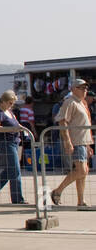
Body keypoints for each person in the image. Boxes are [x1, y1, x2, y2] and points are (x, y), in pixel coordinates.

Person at [51, 78, 92, 207]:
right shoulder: (70, 102)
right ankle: (57, 191)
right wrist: (67, 141)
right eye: (81, 88)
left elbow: (86, 125)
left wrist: (89, 144)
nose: (85, 90)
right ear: (73, 89)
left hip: (83, 141)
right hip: (76, 141)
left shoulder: (82, 103)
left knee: (83, 172)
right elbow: (62, 121)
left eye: (86, 88)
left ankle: (81, 201)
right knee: (81, 171)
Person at [0, 89, 27, 205]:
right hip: (6, 142)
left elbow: (16, 124)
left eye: (12, 103)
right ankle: (17, 198)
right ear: (3, 101)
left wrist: (24, 129)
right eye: (10, 102)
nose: (11, 105)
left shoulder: (9, 111)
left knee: (11, 170)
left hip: (14, 142)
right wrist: (11, 129)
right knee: (15, 170)